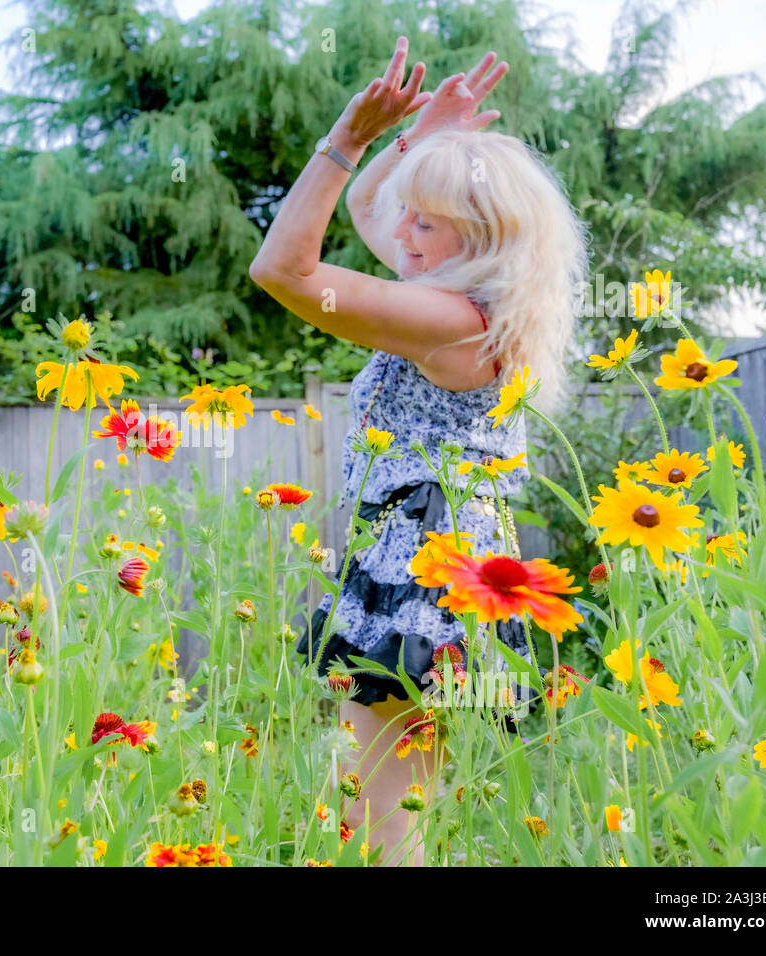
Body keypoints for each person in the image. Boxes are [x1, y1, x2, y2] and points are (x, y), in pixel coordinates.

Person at [248, 37, 588, 865]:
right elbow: (370, 214)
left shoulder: (452, 325)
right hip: (429, 555)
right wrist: (418, 143)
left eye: (425, 219)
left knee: (385, 818)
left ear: (476, 239)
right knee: (389, 805)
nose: (401, 230)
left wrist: (347, 142)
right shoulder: (461, 302)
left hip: (421, 571)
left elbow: (283, 270)